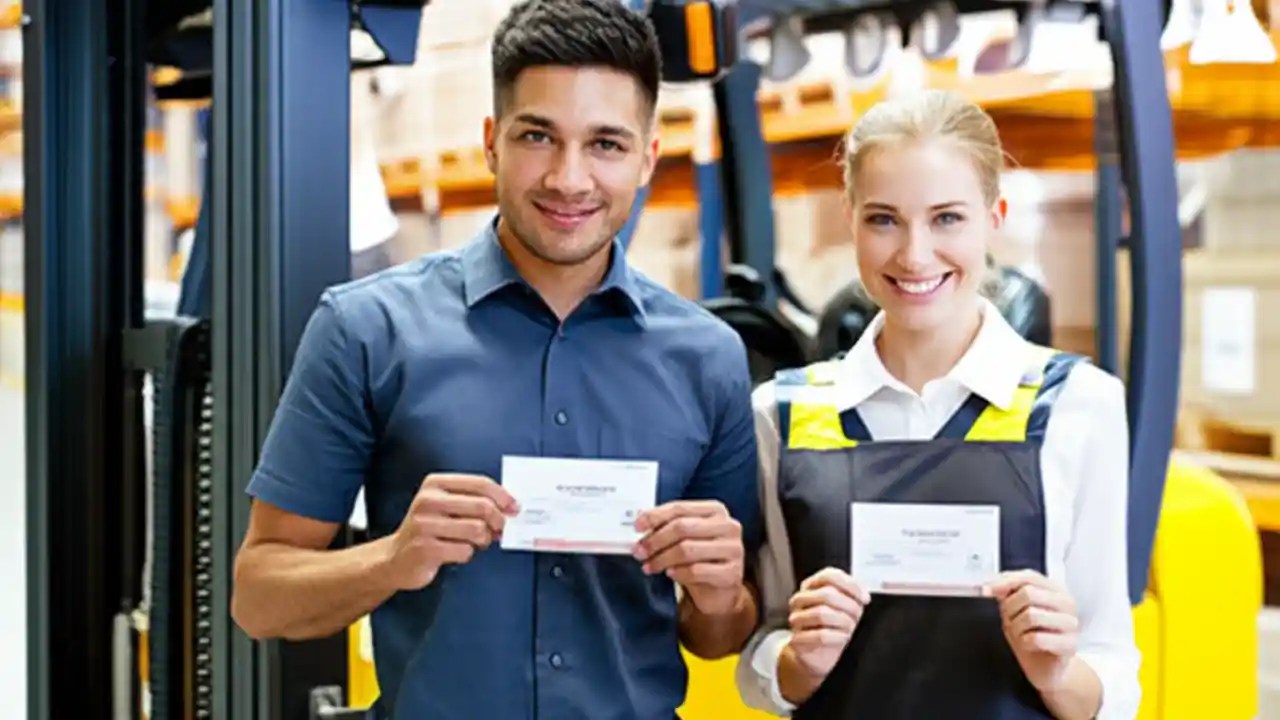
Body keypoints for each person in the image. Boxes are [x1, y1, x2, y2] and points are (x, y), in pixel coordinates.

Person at [229, 2, 761, 718]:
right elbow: (259, 598)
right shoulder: (367, 330)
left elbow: (720, 636)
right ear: (491, 142)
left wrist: (722, 593)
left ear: (647, 158)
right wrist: (393, 559)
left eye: (605, 143)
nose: (569, 179)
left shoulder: (709, 359)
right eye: (538, 136)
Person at [734, 89, 1141, 720]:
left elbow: (1113, 668)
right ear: (850, 219)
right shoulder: (780, 416)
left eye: (947, 218)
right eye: (884, 219)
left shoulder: (1079, 406)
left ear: (994, 216)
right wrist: (798, 661)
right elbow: (761, 651)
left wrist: (1059, 673)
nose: (914, 254)